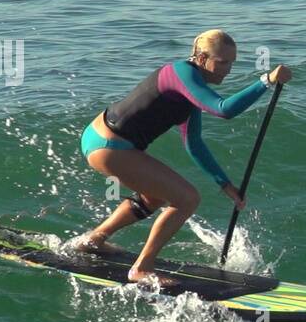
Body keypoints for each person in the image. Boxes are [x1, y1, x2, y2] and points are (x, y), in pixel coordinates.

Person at [76, 29, 291, 286]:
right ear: (201, 58)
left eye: (232, 62)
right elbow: (223, 110)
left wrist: (224, 184)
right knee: (187, 199)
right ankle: (141, 269)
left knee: (154, 197)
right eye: (222, 62)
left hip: (103, 139)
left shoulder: (189, 86)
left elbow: (194, 143)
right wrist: (266, 81)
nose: (228, 69)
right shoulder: (183, 73)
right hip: (110, 144)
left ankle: (93, 240)